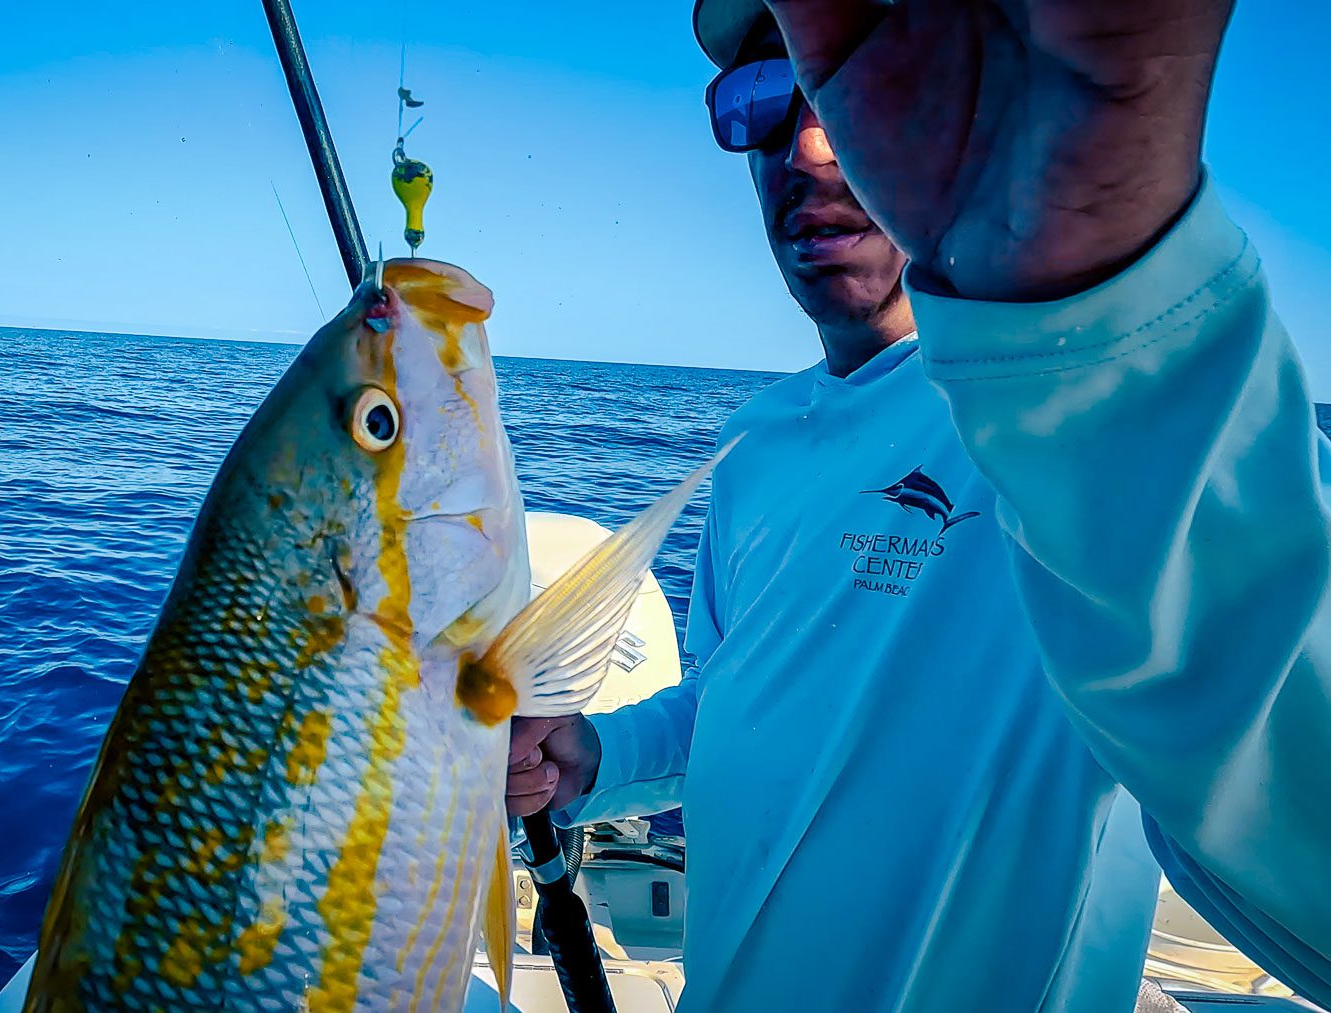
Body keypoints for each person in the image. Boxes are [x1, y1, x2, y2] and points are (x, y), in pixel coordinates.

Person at [505, 1, 1331, 1010]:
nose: (807, 149)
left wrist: (1111, 288)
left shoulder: (1068, 419)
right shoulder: (757, 442)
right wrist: (601, 752)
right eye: (764, 99)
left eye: (865, 85)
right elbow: (738, 692)